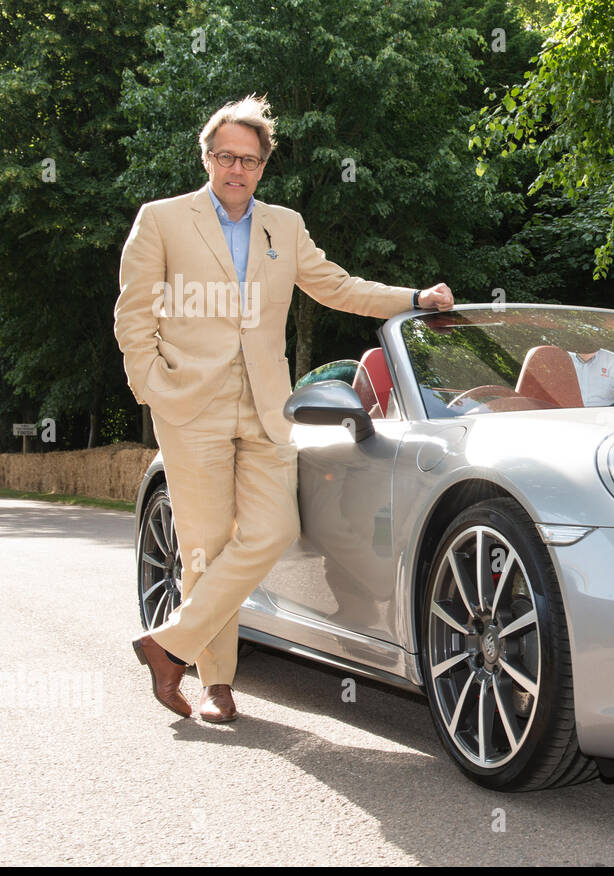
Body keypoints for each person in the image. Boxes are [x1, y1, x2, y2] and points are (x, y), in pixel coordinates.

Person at [114, 94, 453, 722]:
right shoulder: (161, 220)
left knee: (274, 530)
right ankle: (217, 684)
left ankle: (169, 646)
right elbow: (133, 317)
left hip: (268, 407)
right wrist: (153, 387)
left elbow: (337, 287)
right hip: (190, 407)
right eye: (225, 156)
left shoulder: (283, 226)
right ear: (207, 157)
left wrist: (412, 296)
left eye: (248, 159)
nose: (236, 169)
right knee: (207, 548)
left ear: (263, 167)